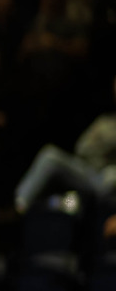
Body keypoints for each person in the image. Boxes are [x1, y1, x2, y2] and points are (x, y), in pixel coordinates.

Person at [14, 75, 116, 211]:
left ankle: (69, 205)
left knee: (110, 177)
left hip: (106, 178)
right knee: (50, 155)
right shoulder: (105, 121)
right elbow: (81, 147)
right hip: (87, 170)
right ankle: (19, 204)